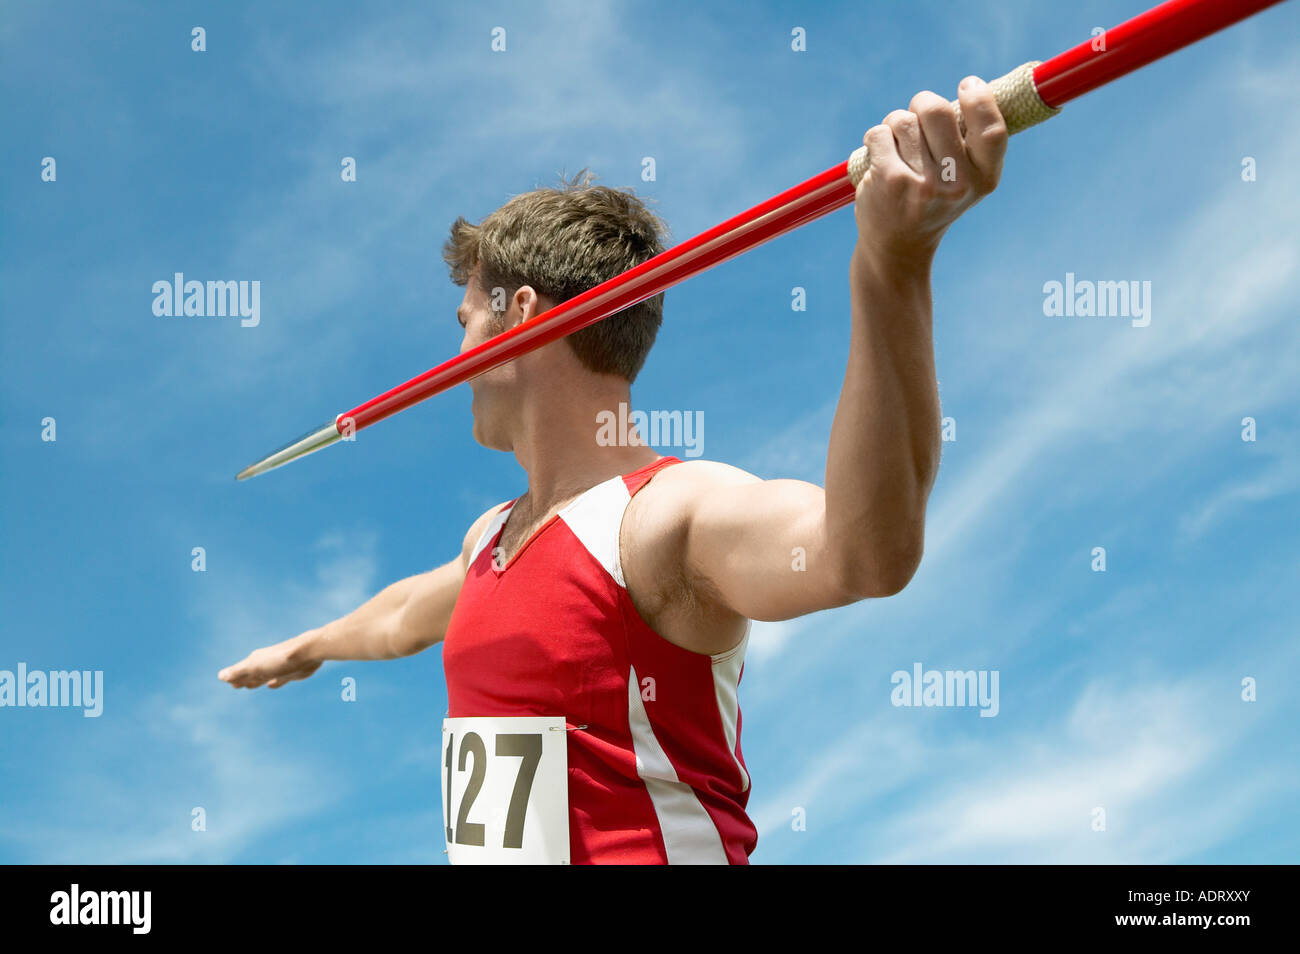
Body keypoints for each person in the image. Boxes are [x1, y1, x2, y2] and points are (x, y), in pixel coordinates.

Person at [219, 77, 1009, 864]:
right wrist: (306, 648)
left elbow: (864, 554)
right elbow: (399, 620)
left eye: (465, 322)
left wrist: (893, 266)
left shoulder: (668, 517)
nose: (455, 361)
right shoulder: (489, 541)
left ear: (518, 313)